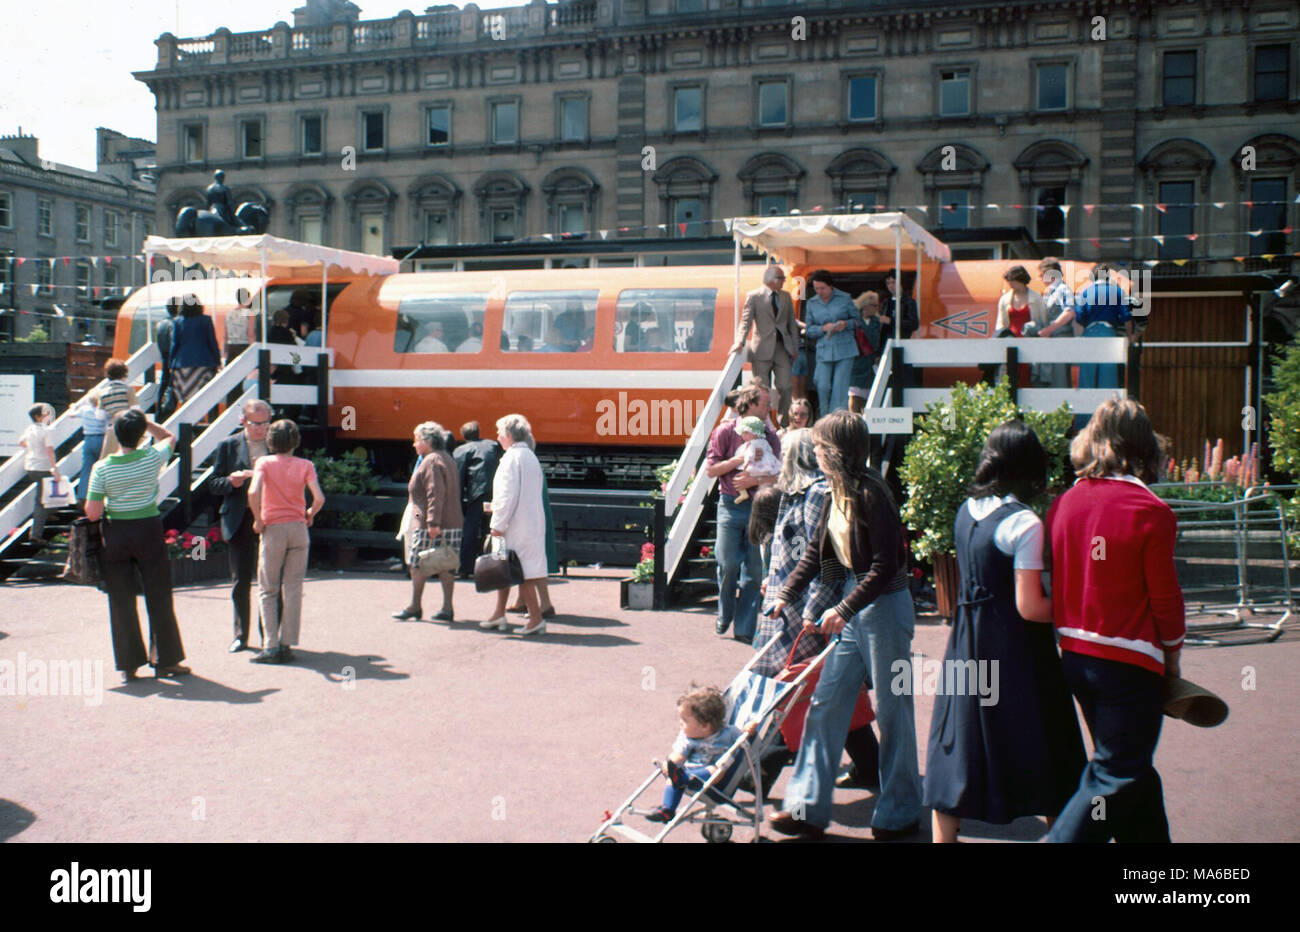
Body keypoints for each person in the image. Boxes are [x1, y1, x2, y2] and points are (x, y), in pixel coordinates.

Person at [922, 421, 1086, 843]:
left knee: (959, 746)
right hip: (1015, 650)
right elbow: (1030, 606)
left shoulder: (965, 511)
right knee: (1045, 743)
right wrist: (1077, 612)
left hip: (965, 642)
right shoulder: (1025, 522)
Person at [766, 411, 922, 841]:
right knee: (826, 704)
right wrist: (784, 595)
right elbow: (818, 552)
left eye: (818, 445)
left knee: (893, 712)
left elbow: (887, 564)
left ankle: (901, 809)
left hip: (885, 606)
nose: (813, 450)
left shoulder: (873, 493)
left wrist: (846, 609)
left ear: (834, 450)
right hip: (861, 604)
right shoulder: (836, 489)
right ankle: (806, 807)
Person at [1045, 398, 1185, 843]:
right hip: (1130, 663)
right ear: (1145, 448)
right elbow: (1166, 601)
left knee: (1130, 766)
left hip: (1076, 654)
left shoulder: (1064, 503)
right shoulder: (1152, 512)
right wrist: (1174, 660)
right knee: (1117, 771)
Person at [753, 427, 882, 793]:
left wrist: (810, 609)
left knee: (800, 691)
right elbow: (789, 550)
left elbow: (824, 562)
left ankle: (760, 772)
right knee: (821, 689)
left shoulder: (813, 495)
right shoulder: (793, 494)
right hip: (790, 606)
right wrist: (775, 584)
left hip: (805, 614)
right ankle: (870, 765)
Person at [84, 410, 189, 683]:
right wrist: (146, 422)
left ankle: (129, 665)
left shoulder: (102, 468)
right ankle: (166, 660)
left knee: (121, 599)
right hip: (148, 530)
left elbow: (93, 513)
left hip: (116, 533)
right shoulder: (152, 457)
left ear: (115, 434)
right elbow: (169, 436)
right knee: (159, 595)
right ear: (141, 434)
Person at [703, 384, 781, 643]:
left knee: (754, 572)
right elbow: (711, 470)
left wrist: (754, 481)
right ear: (747, 405)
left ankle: (745, 629)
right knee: (728, 563)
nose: (767, 408)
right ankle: (725, 612)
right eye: (763, 404)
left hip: (758, 507)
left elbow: (779, 474)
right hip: (729, 504)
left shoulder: (769, 436)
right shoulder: (725, 431)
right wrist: (736, 463)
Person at [247, 419, 324, 664]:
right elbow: (319, 498)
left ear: (270, 441)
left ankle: (270, 646)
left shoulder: (264, 463)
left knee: (268, 588)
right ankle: (287, 643)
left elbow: (252, 492)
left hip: (274, 528)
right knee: (293, 589)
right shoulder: (306, 465)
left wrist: (258, 519)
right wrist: (309, 513)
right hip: (298, 528)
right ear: (295, 441)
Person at [211, 399, 273, 653]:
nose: (260, 428)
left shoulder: (276, 444)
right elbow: (212, 483)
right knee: (240, 580)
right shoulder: (228, 446)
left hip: (270, 518)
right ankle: (240, 635)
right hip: (240, 517)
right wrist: (229, 483)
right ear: (243, 421)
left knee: (269, 579)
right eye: (255, 423)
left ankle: (269, 635)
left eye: (265, 423)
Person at [479, 414, 549, 635]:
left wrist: (497, 524)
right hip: (529, 525)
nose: (498, 437)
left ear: (509, 435)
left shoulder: (510, 459)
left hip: (508, 528)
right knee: (509, 568)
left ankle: (535, 619)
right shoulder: (529, 456)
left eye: (500, 433)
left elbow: (506, 496)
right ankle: (499, 613)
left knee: (518, 571)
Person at [646, 686, 750, 823]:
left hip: (715, 779)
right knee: (673, 779)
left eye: (685, 721)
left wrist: (748, 730)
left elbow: (743, 739)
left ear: (705, 726)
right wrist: (670, 764)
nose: (680, 724)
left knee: (716, 770)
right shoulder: (687, 737)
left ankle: (683, 778)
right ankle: (667, 810)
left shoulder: (729, 732)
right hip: (688, 771)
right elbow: (679, 755)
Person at [393, 421, 463, 623]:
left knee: (417, 563)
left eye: (416, 440)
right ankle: (447, 608)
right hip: (452, 520)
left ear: (427, 441)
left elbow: (434, 493)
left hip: (428, 523)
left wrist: (433, 522)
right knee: (447, 563)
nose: (414, 444)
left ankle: (415, 606)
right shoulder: (447, 458)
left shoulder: (430, 461)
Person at [731, 265, 800, 426]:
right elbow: (746, 321)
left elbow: (791, 323)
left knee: (786, 386)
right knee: (762, 390)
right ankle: (764, 424)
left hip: (782, 348)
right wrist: (740, 341)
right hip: (761, 349)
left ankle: (783, 423)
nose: (783, 281)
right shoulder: (754, 296)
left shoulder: (785, 296)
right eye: (781, 278)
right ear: (772, 280)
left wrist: (795, 347)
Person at [803, 270, 862, 415]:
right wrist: (823, 328)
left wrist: (845, 324)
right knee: (822, 386)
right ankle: (824, 419)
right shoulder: (812, 303)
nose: (819, 291)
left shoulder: (845, 298)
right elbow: (808, 330)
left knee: (840, 388)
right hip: (824, 349)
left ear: (831, 286)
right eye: (816, 288)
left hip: (845, 348)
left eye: (822, 288)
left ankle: (837, 421)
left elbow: (858, 322)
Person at [1071, 265, 1134, 390]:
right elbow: (1126, 317)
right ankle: (1107, 408)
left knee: (1087, 375)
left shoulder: (1085, 292)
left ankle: (1086, 408)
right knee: (1108, 376)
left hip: (1089, 333)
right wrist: (1130, 336)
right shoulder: (1117, 291)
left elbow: (1079, 317)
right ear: (1108, 276)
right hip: (1109, 333)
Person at [452, 421, 502, 578]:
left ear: (463, 435)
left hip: (477, 494)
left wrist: (458, 502)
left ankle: (465, 568)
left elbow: (458, 478)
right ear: (479, 432)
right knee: (493, 528)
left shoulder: (461, 450)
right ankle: (493, 567)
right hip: (495, 492)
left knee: (470, 529)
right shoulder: (492, 445)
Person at [18, 403, 60, 543]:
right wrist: (55, 468)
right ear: (38, 416)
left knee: (46, 494)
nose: (48, 416)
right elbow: (49, 450)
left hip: (30, 466)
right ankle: (36, 534)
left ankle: (50, 513)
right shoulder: (47, 430)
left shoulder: (30, 429)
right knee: (42, 501)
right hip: (42, 467)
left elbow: (21, 443)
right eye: (45, 413)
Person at [169, 295, 221, 405]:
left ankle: (189, 421)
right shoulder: (206, 320)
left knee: (186, 398)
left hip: (182, 364)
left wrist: (171, 363)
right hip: (204, 363)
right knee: (203, 396)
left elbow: (175, 344)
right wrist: (218, 361)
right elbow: (212, 342)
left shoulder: (177, 322)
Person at [1034, 258, 1076, 388]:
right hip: (1051, 339)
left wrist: (1049, 329)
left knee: (1059, 379)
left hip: (1059, 339)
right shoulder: (1051, 292)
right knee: (1051, 378)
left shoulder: (1064, 289)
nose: (1040, 278)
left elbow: (1070, 312)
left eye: (1041, 275)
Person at [731, 416, 781, 504]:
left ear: (755, 433)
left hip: (755, 466)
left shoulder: (753, 444)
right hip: (765, 465)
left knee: (738, 477)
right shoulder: (763, 442)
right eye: (743, 433)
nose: (743, 435)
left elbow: (750, 456)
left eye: (746, 433)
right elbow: (770, 450)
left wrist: (746, 465)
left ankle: (743, 493)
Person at [95, 359, 139, 459]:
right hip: (128, 430)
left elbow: (99, 415)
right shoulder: (128, 389)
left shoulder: (103, 393)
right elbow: (136, 409)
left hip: (113, 429)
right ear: (124, 375)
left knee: (109, 459)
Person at [71, 395, 109, 505]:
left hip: (89, 439)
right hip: (102, 439)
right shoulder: (103, 411)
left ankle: (83, 496)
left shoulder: (84, 410)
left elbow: (71, 415)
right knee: (103, 469)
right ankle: (102, 497)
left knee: (87, 469)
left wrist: (74, 406)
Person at [850, 291, 884, 394]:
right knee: (854, 397)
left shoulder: (877, 321)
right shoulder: (854, 321)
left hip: (871, 363)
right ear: (865, 305)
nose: (877, 308)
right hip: (857, 363)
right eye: (874, 305)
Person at [155, 299, 180, 419]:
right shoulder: (175, 323)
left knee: (163, 384)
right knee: (172, 386)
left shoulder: (161, 324)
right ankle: (167, 411)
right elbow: (174, 343)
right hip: (172, 358)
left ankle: (159, 409)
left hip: (164, 356)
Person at [880, 272, 919, 340]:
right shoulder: (886, 302)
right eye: (888, 283)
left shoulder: (909, 302)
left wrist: (891, 321)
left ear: (901, 283)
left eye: (894, 282)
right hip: (886, 341)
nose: (891, 286)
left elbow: (914, 324)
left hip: (901, 341)